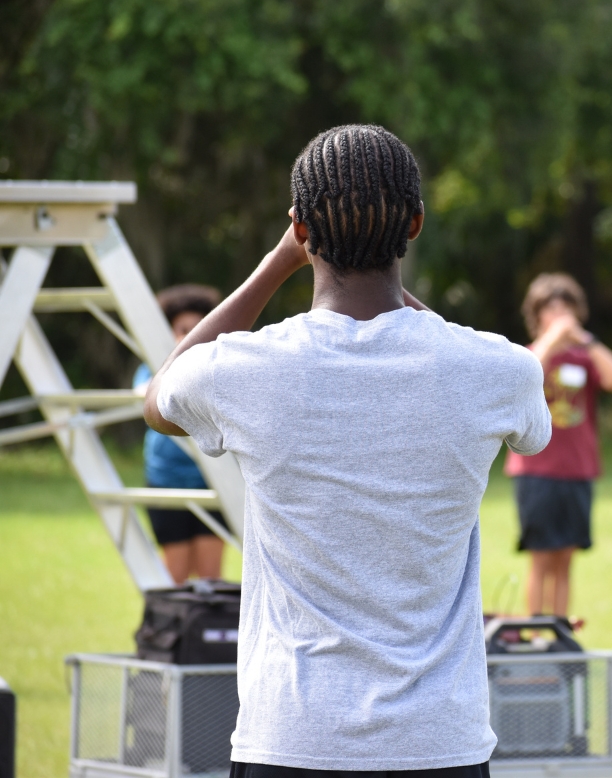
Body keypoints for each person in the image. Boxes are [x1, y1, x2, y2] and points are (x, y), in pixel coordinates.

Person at [142, 124, 551, 776]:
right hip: (439, 742)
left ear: (301, 230)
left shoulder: (246, 370)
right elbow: (495, 389)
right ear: (414, 225)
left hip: (291, 739)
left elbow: (159, 396)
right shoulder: (500, 371)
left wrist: (279, 261)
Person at [504, 274, 612, 619]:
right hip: (536, 471)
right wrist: (553, 338)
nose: (560, 315)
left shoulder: (584, 358)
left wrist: (587, 342)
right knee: (541, 556)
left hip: (577, 469)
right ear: (537, 314)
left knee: (566, 559)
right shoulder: (530, 356)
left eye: (566, 308)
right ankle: (535, 630)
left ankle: (559, 632)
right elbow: (522, 372)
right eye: (551, 308)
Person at [133, 284, 226, 585]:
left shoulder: (217, 367)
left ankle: (207, 633)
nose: (188, 335)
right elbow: (143, 390)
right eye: (182, 328)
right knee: (176, 576)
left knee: (211, 578)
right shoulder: (154, 367)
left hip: (211, 480)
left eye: (196, 328)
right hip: (166, 480)